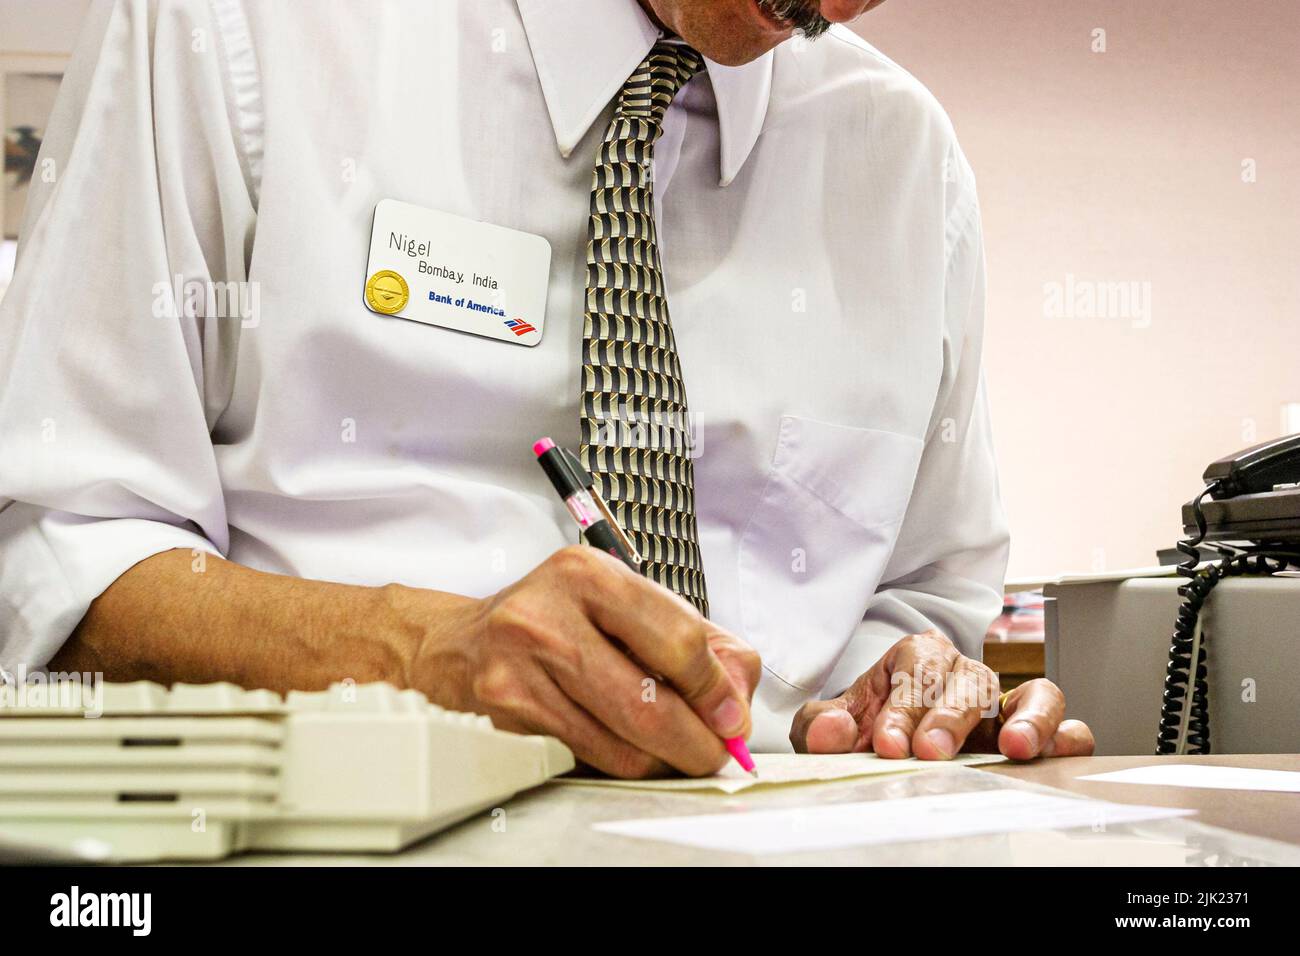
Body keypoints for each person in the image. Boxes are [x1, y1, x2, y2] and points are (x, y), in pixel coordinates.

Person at [0, 0, 1093, 777]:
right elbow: (52, 559)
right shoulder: (237, 28)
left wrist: (905, 688)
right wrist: (421, 655)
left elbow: (916, 597)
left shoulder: (904, 160)